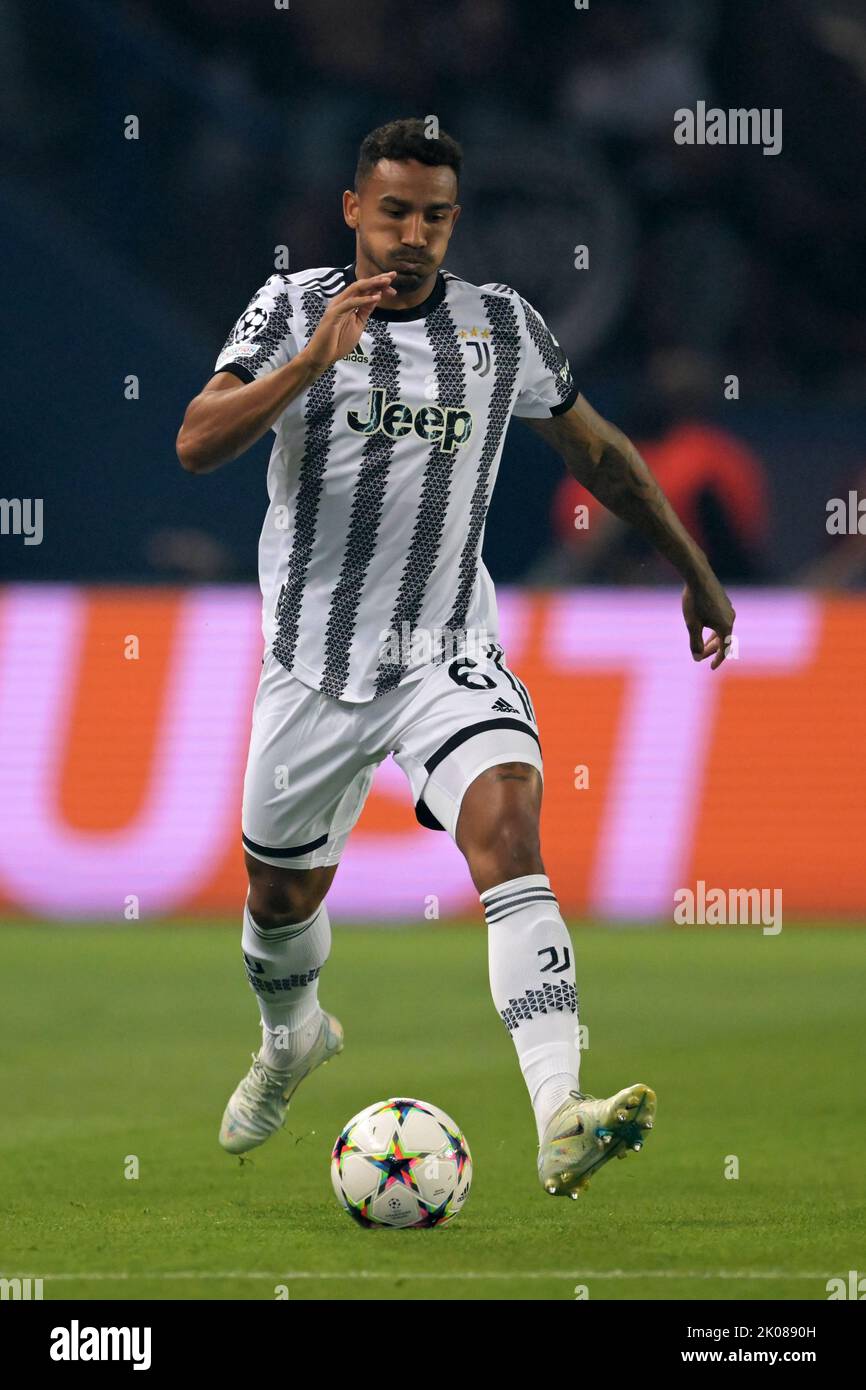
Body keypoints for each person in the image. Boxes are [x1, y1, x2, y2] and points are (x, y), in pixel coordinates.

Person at [176, 117, 735, 1200]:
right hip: (310, 664)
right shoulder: (291, 306)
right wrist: (308, 366)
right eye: (393, 211)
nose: (413, 234)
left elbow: (600, 452)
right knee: (281, 900)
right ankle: (291, 1038)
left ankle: (559, 1111)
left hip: (444, 651)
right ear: (352, 211)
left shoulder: (501, 329)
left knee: (508, 822)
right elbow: (197, 440)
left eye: (434, 216)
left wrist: (690, 566)